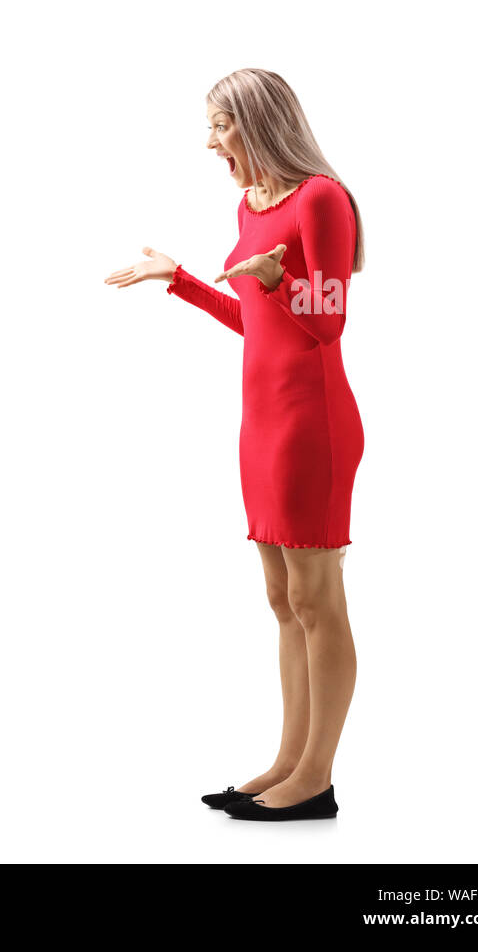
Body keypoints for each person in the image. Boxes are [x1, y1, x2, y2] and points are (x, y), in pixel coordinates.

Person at [105, 69, 365, 821]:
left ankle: (316, 778)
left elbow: (326, 322)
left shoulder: (321, 197)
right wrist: (179, 278)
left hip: (313, 423)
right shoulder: (249, 206)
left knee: (319, 600)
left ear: (257, 123)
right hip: (262, 424)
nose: (210, 140)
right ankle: (287, 758)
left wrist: (277, 279)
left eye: (221, 124)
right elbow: (256, 323)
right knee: (284, 600)